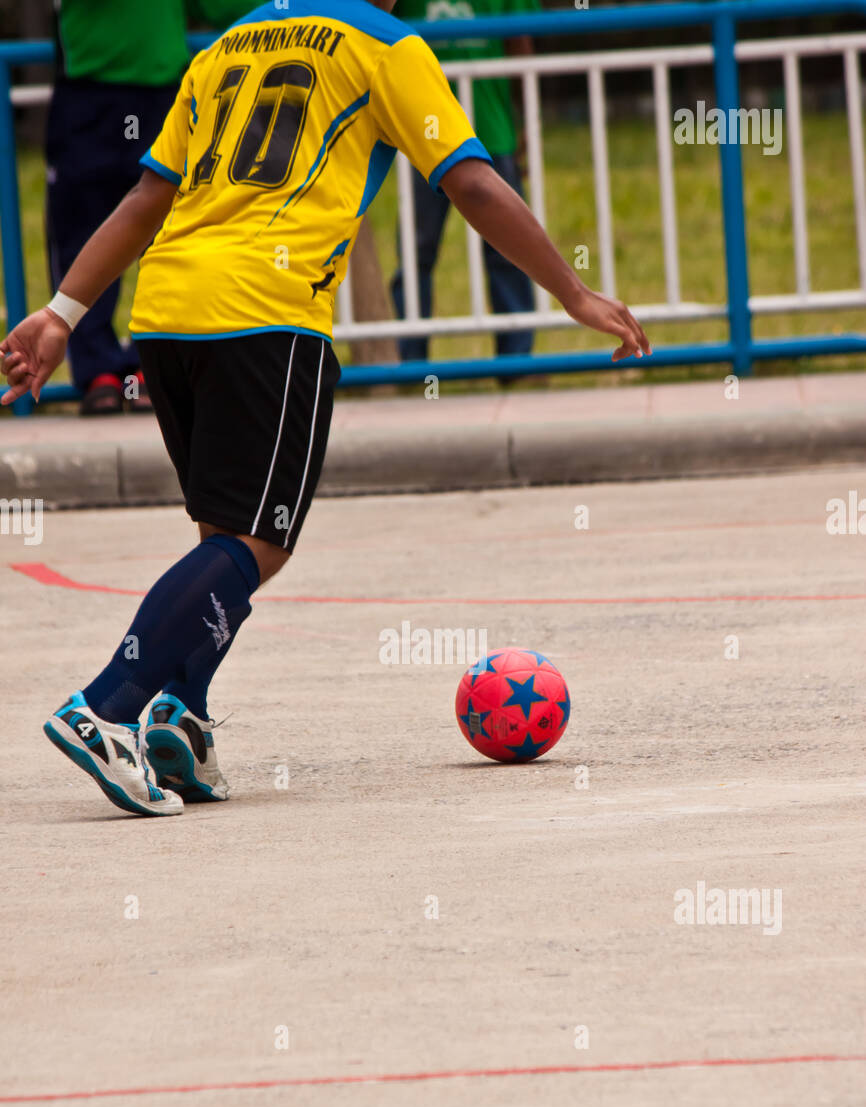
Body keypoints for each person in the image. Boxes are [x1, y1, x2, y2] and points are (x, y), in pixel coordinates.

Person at [2, 0, 649, 819]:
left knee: (220, 537)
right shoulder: (385, 46)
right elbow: (474, 183)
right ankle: (104, 707)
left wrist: (62, 312)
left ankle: (181, 719)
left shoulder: (228, 45)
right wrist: (575, 293)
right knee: (259, 543)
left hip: (165, 317)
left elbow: (146, 197)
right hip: (265, 314)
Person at [46, 0, 246, 415]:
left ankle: (153, 367)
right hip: (91, 92)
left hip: (166, 91)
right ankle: (98, 370)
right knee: (83, 227)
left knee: (174, 231)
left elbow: (218, 6)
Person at [390, 0, 539, 365]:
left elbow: (521, 42)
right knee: (415, 250)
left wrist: (525, 122)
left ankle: (517, 361)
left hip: (489, 130)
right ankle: (412, 361)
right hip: (423, 137)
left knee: (509, 247)